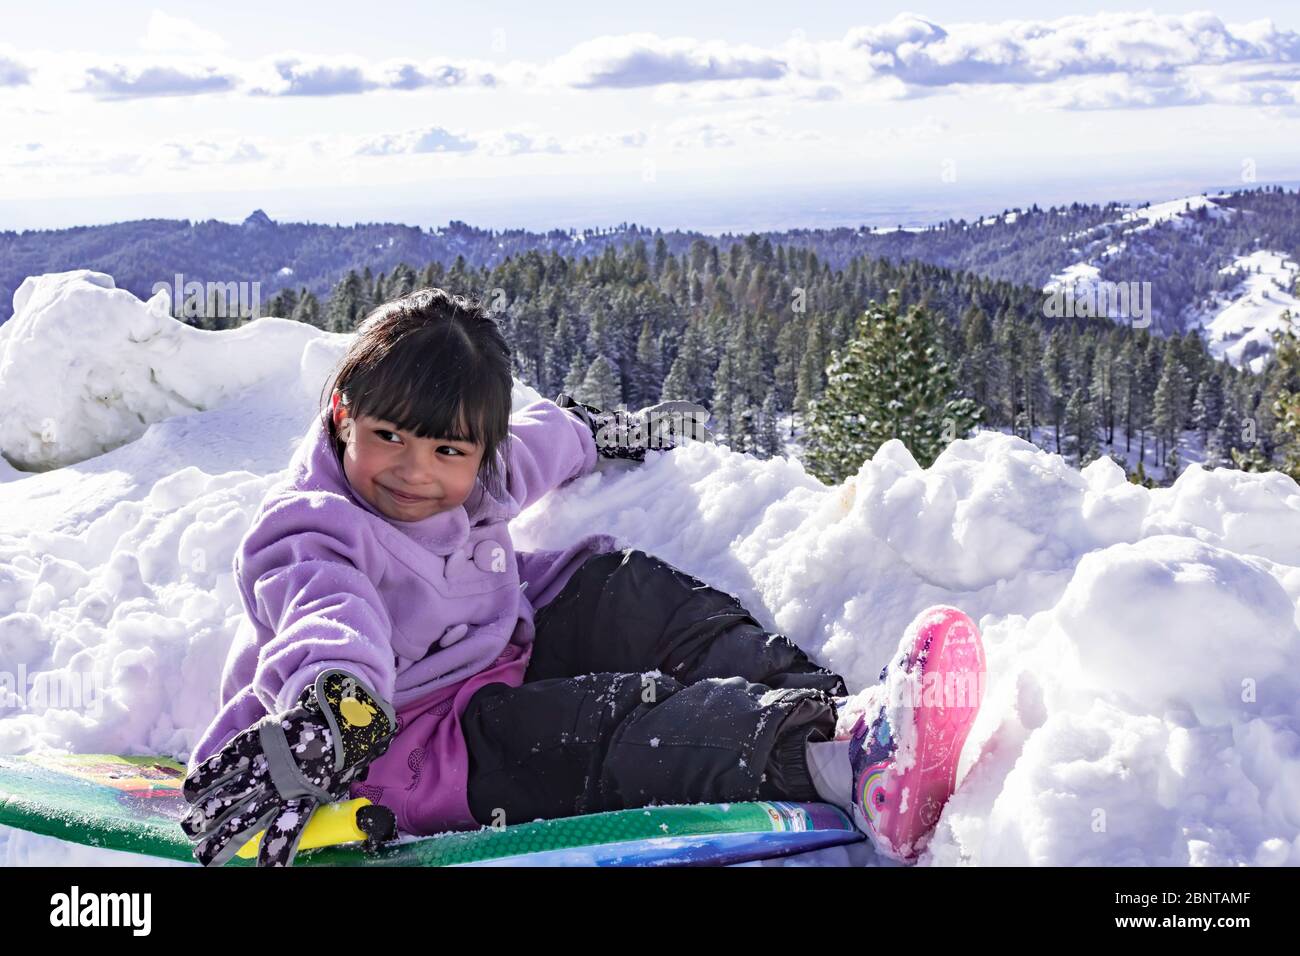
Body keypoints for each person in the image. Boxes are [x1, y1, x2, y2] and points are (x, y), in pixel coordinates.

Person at [181, 287, 985, 867]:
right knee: (612, 725)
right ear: (341, 413)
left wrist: (606, 432)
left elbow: (547, 438)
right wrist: (332, 720)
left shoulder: (478, 466)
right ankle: (837, 762)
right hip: (412, 738)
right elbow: (328, 622)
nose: (413, 472)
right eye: (387, 435)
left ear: (478, 449)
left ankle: (839, 707)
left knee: (624, 588)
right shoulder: (312, 528)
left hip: (496, 638)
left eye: (448, 451)